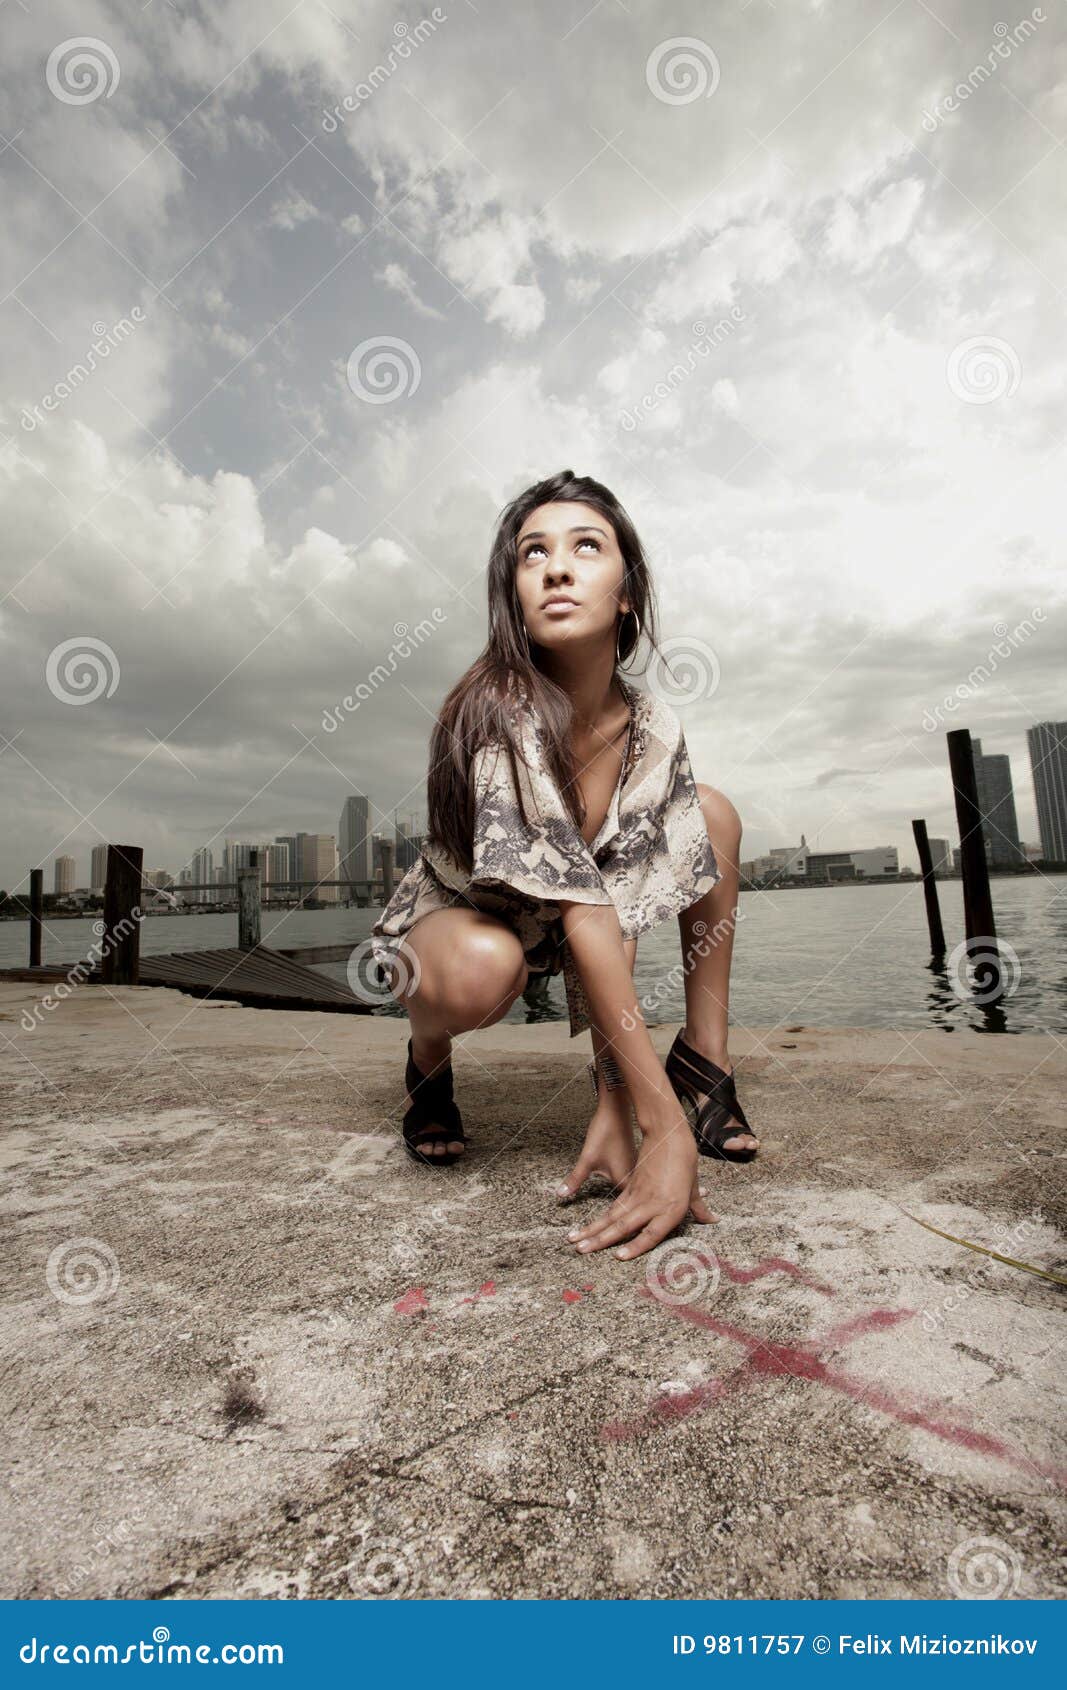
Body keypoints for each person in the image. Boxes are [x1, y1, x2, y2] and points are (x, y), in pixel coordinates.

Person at [369, 469, 758, 1263]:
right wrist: (662, 1127)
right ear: (512, 593)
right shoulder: (493, 710)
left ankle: (705, 1055)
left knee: (711, 815)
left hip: (581, 916)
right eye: (531, 553)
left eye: (586, 546)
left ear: (625, 592)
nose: (556, 566)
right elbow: (582, 910)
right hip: (470, 917)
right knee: (483, 970)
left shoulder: (651, 724)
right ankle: (426, 1062)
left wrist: (614, 1104)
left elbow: (617, 905)